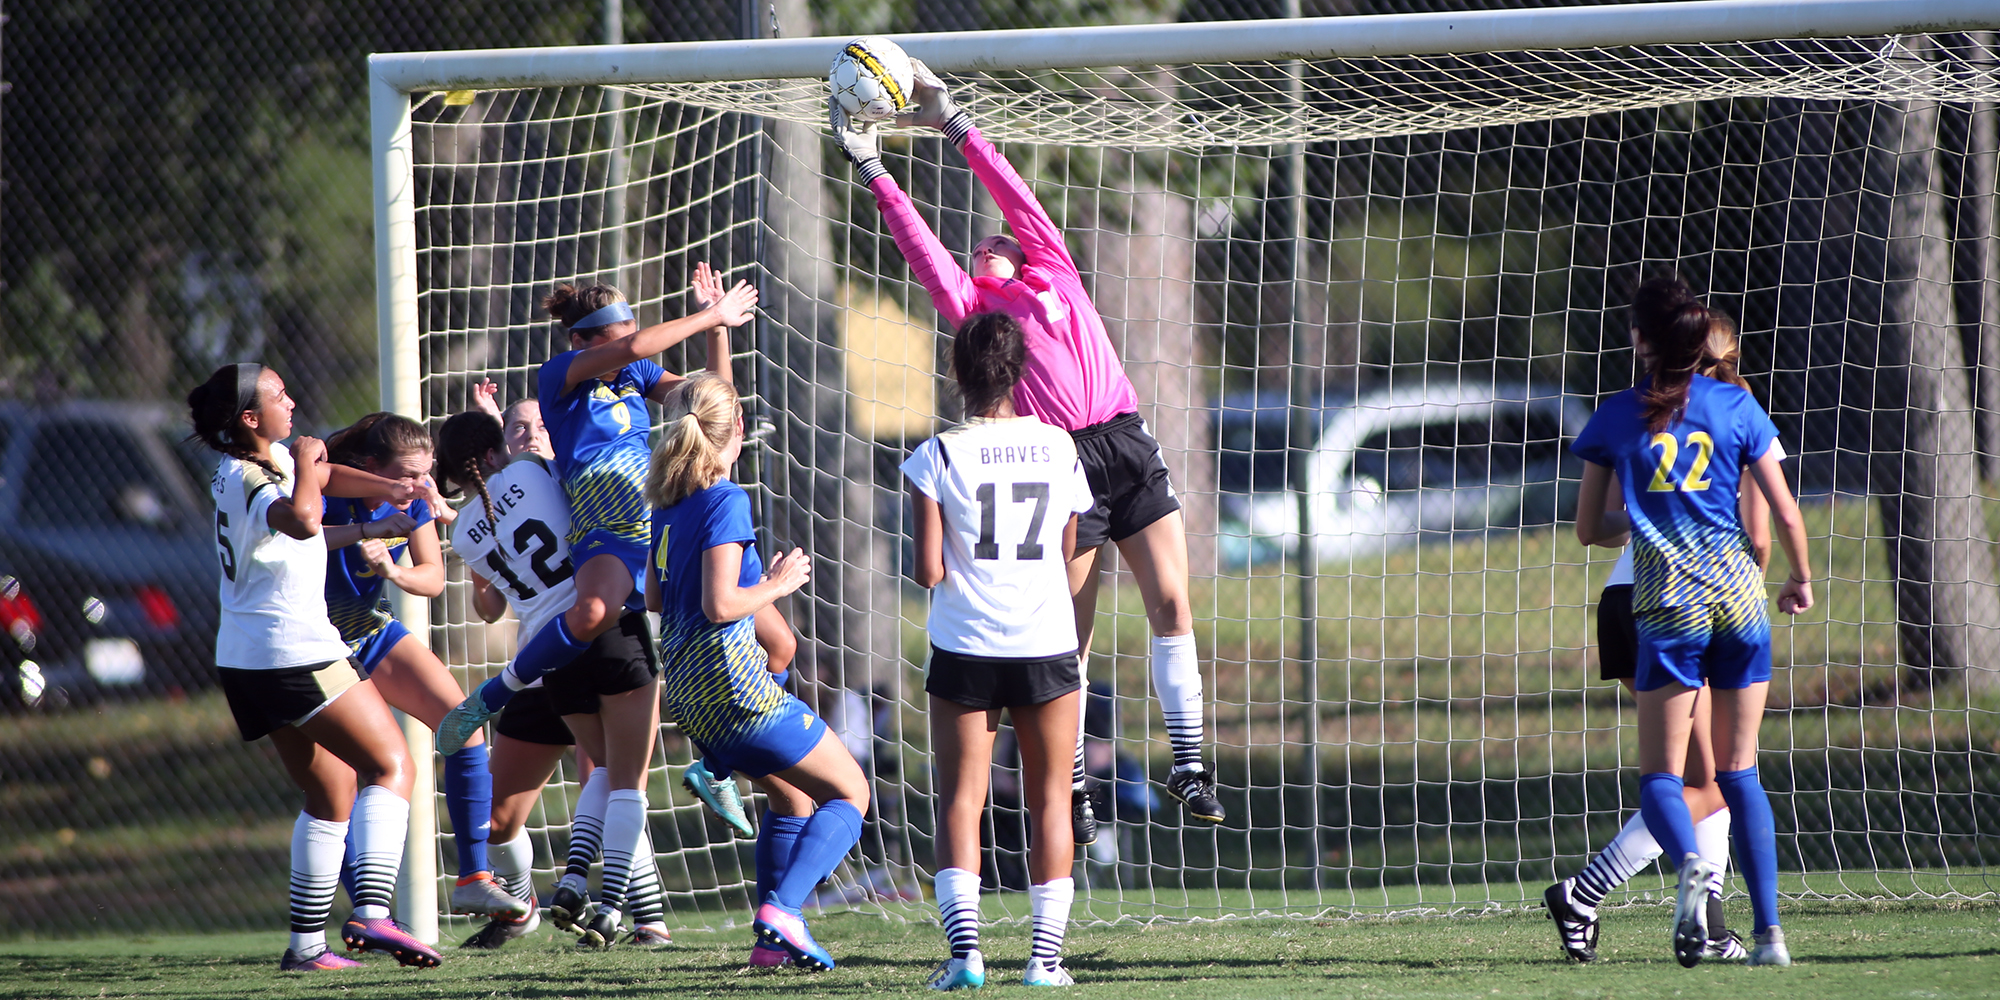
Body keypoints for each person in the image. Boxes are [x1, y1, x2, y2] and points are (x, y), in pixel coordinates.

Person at [835, 65, 1223, 835]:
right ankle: (1072, 784)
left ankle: (1189, 765)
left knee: (1172, 603)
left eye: (994, 241)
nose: (984, 244)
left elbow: (1013, 193)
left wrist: (953, 124)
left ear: (1018, 251)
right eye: (975, 248)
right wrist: (873, 164)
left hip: (1126, 440)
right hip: (1066, 463)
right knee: (1066, 642)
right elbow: (921, 248)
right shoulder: (972, 308)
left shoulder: (1053, 271)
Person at [1571, 277, 1814, 968]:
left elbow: (1590, 528)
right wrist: (1799, 579)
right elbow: (1783, 512)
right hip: (1739, 598)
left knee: (1661, 778)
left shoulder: (1618, 414)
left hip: (1669, 603)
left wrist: (1645, 516)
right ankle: (1770, 938)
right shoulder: (1736, 403)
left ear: (1641, 341)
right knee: (1740, 773)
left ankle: (1692, 870)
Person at [436, 263, 756, 748]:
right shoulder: (559, 378)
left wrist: (716, 326)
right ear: (582, 343)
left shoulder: (634, 373)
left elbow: (712, 401)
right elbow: (633, 346)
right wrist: (706, 316)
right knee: (591, 614)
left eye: (629, 335)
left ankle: (719, 765)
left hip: (659, 516)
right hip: (605, 522)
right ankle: (492, 694)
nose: (629, 349)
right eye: (615, 340)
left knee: (773, 641)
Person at [186, 363, 440, 971]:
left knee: (331, 792)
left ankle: (306, 947)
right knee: (390, 763)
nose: (292, 400)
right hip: (293, 650)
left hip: (246, 659)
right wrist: (309, 468)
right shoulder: (255, 475)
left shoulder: (249, 463)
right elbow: (303, 517)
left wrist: (386, 500)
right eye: (278, 395)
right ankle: (374, 913)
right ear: (250, 418)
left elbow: (316, 498)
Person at [646, 370, 869, 972]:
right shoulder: (725, 499)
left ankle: (769, 949)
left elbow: (657, 597)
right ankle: (785, 913)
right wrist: (775, 583)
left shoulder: (669, 505)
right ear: (738, 429)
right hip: (736, 690)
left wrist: (752, 584)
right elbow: (720, 607)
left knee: (793, 799)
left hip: (689, 696)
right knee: (851, 792)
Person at [903, 312, 1096, 989]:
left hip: (966, 644)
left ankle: (965, 958)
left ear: (958, 372)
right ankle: (1045, 963)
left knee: (962, 799)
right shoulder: (1059, 446)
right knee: (1050, 799)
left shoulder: (938, 454)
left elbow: (929, 570)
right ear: (1021, 373)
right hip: (1045, 640)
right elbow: (1069, 548)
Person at [436, 405, 672, 950]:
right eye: (519, 428)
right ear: (499, 448)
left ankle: (635, 912)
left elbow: (493, 581)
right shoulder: (545, 469)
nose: (535, 435)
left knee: (607, 775)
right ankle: (590, 897)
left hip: (548, 656)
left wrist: (495, 444)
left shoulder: (466, 535)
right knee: (621, 781)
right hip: (606, 626)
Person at [318, 411, 519, 920]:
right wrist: (366, 529)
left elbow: (431, 578)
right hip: (312, 645)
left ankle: (474, 877)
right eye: (406, 475)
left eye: (424, 473)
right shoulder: (324, 491)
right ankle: (368, 914)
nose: (418, 485)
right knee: (336, 787)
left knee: (463, 721)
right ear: (369, 466)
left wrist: (392, 570)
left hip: (369, 630)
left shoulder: (415, 501)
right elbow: (296, 537)